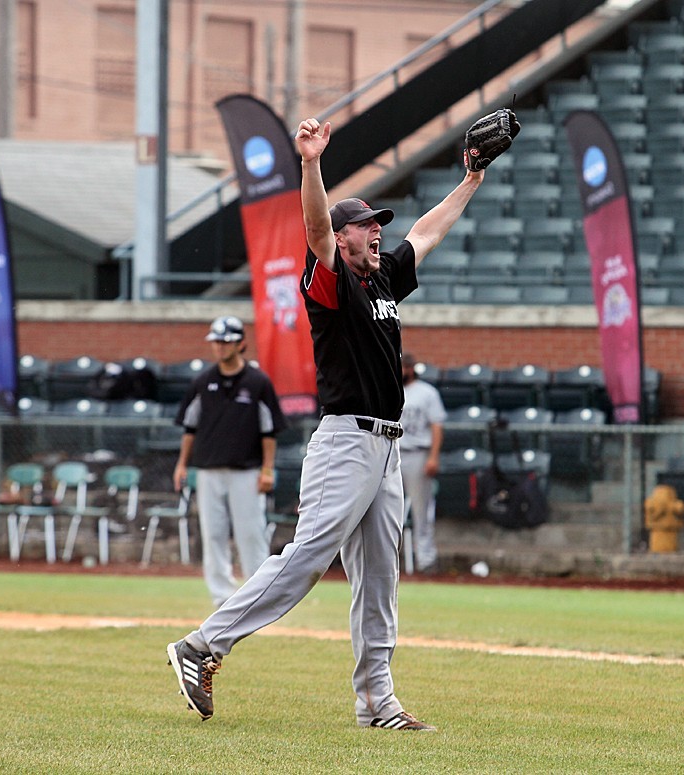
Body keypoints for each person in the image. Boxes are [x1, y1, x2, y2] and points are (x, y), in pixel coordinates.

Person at [166, 115, 501, 732]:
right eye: (366, 226)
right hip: (346, 439)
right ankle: (203, 644)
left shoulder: (382, 279)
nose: (377, 233)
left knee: (379, 577)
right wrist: (311, 163)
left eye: (377, 226)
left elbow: (425, 233)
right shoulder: (331, 281)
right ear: (344, 239)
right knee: (309, 556)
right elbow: (317, 228)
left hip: (388, 447)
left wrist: (472, 179)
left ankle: (377, 703)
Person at [172, 315, 288, 608]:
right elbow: (190, 427)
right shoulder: (203, 381)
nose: (220, 347)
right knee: (213, 535)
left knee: (251, 534)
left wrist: (267, 469)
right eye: (217, 342)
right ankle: (222, 597)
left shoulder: (258, 382)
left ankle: (260, 597)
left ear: (240, 343)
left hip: (246, 471)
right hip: (209, 470)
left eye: (226, 341)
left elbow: (269, 431)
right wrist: (182, 464)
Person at [399, 352, 446, 574]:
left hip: (418, 453)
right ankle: (390, 561)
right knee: (387, 510)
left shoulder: (427, 393)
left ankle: (426, 560)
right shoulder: (390, 389)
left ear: (412, 368)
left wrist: (433, 456)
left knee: (421, 510)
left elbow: (437, 426)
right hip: (393, 454)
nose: (402, 370)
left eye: (405, 367)